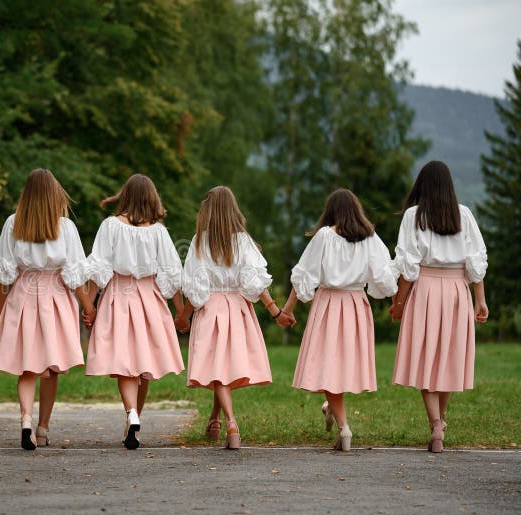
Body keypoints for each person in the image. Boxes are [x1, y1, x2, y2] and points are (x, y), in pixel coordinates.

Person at [0, 168, 95, 450]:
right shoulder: (65, 227)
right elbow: (74, 274)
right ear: (54, 194)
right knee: (52, 367)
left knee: (27, 366)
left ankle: (25, 420)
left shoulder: (13, 224)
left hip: (23, 294)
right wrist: (88, 306)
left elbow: (5, 273)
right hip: (55, 297)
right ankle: (43, 428)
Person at [280, 188, 397, 451]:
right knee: (340, 364)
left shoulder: (324, 236)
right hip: (356, 304)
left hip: (330, 304)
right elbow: (384, 278)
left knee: (328, 363)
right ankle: (330, 407)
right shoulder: (370, 238)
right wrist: (395, 303)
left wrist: (287, 310)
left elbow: (305, 275)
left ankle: (344, 428)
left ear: (330, 212)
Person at [390, 160, 488, 453]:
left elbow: (408, 267)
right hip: (458, 291)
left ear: (422, 185)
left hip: (426, 290)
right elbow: (476, 261)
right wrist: (480, 299)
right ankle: (441, 420)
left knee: (425, 357)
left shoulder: (413, 216)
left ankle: (435, 423)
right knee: (448, 357)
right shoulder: (464, 215)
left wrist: (398, 303)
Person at [174, 186, 282, 449]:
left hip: (211, 309)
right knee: (221, 367)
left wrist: (184, 316)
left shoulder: (200, 242)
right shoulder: (243, 241)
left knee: (217, 368)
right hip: (238, 309)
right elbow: (255, 283)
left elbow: (196, 288)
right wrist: (274, 311)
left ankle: (231, 422)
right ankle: (214, 420)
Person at [83, 174, 184, 450]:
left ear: (125, 195)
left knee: (126, 363)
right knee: (143, 365)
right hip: (149, 297)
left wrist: (90, 305)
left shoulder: (110, 226)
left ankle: (131, 414)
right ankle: (135, 421)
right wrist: (180, 311)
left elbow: (99, 268)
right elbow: (172, 273)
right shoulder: (159, 231)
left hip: (120, 295)